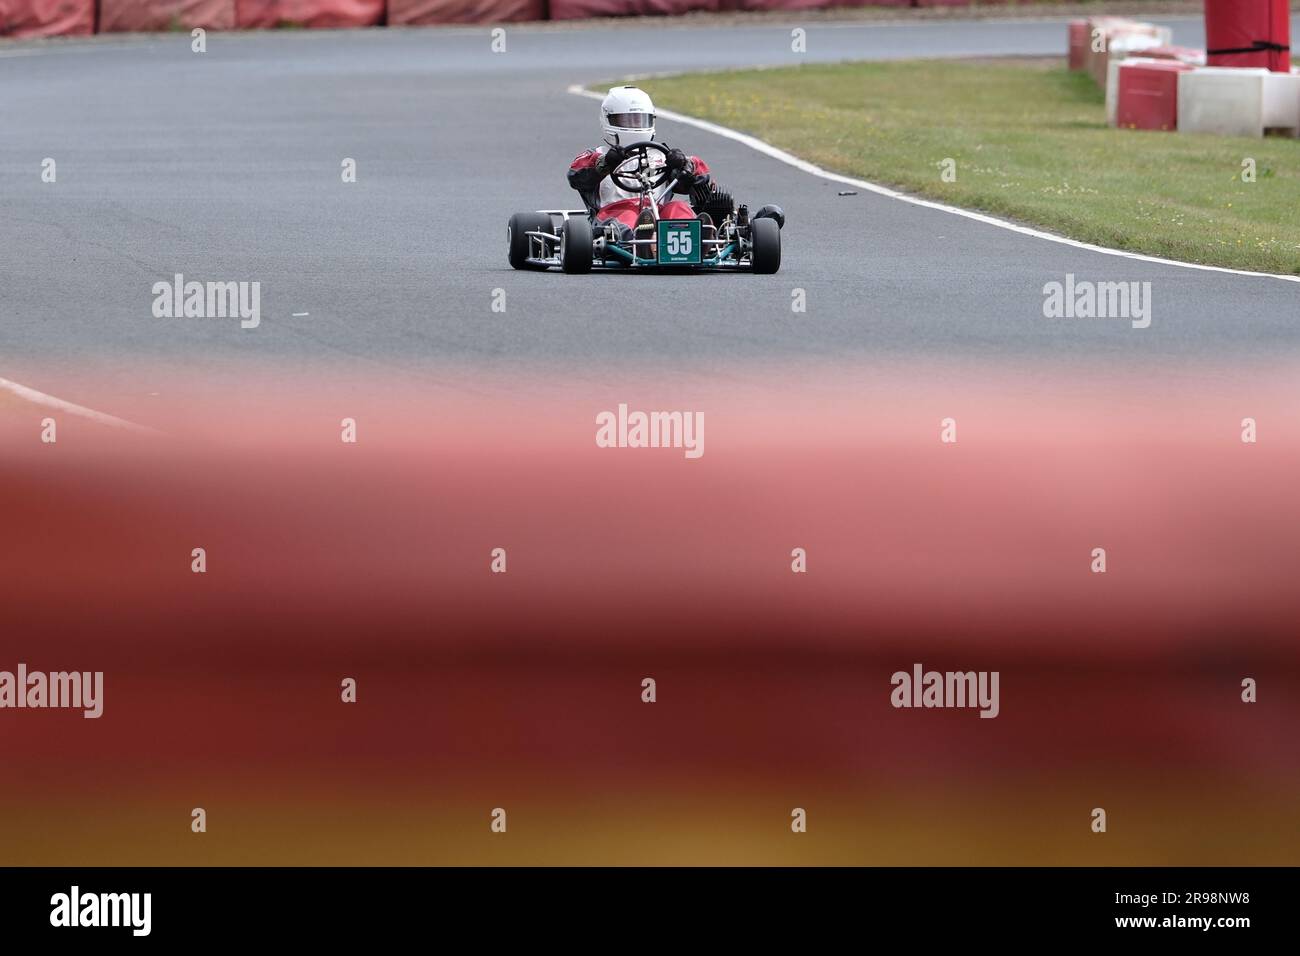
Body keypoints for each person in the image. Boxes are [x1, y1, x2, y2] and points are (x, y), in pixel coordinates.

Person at [566, 86, 715, 247]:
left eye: (640, 120)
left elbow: (701, 175)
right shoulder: (598, 155)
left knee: (678, 207)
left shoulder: (662, 156)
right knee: (627, 216)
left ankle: (697, 240)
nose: (635, 125)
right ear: (608, 120)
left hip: (658, 213)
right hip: (613, 215)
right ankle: (639, 242)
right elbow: (577, 174)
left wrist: (684, 165)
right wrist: (607, 163)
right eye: (627, 120)